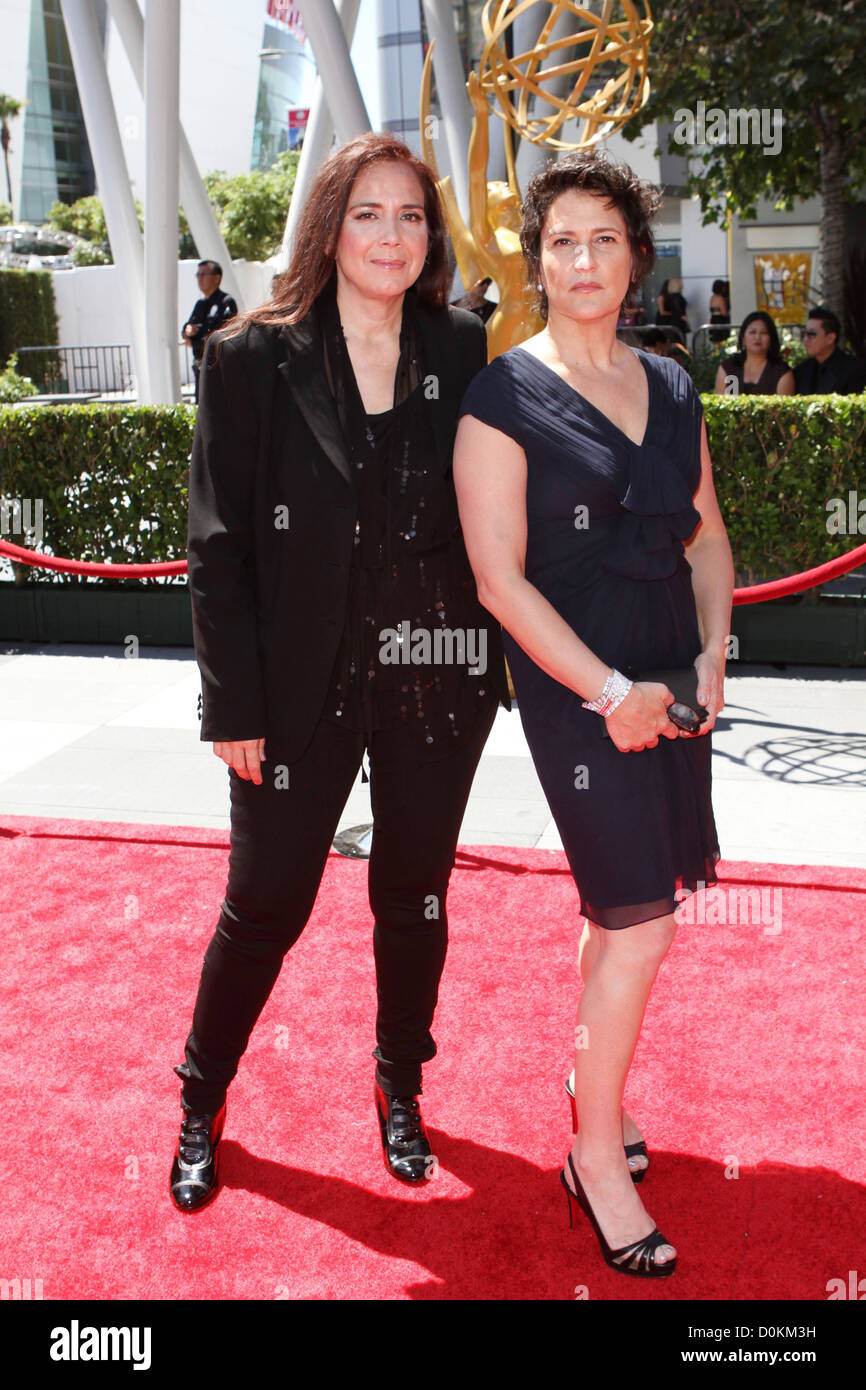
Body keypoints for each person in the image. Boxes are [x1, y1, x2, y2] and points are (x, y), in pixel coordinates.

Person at [171, 133, 510, 1211]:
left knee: (411, 896)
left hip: (432, 671)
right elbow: (218, 545)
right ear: (329, 224)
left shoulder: (460, 345)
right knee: (264, 903)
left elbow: (494, 511)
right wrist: (229, 703)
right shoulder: (250, 356)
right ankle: (199, 1096)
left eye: (410, 215)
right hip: (291, 688)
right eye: (368, 212)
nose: (391, 234)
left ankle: (397, 1081)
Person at [454, 150, 734, 1278]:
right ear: (538, 257)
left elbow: (705, 537)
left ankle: (591, 1082)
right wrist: (607, 692)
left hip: (669, 672)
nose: (581, 259)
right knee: (643, 921)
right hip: (578, 692)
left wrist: (713, 654)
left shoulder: (669, 383)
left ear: (633, 257)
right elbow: (495, 580)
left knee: (618, 910)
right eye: (561, 239)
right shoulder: (499, 394)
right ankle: (590, 1150)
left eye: (602, 239)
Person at [182, 260, 238, 402]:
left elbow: (220, 330)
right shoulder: (200, 304)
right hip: (200, 365)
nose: (199, 278)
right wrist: (188, 332)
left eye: (203, 274)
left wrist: (197, 333)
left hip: (217, 367)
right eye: (198, 275)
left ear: (216, 277)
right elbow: (187, 328)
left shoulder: (226, 301)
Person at [713, 310, 794, 395]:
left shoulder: (782, 372)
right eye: (752, 332)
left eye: (763, 333)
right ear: (743, 338)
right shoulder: (729, 368)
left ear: (771, 338)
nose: (757, 337)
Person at [794, 306, 866, 394]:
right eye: (804, 333)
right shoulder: (801, 371)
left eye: (812, 334)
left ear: (830, 338)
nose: (805, 339)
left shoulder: (855, 370)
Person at [655, 275, 689, 343]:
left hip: (673, 322)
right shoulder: (676, 298)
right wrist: (684, 319)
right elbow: (679, 311)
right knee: (678, 341)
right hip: (675, 322)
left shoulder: (671, 297)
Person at [708, 278, 730, 344]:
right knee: (722, 340)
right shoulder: (721, 299)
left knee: (715, 341)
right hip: (720, 321)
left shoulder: (712, 297)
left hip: (713, 320)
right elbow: (724, 313)